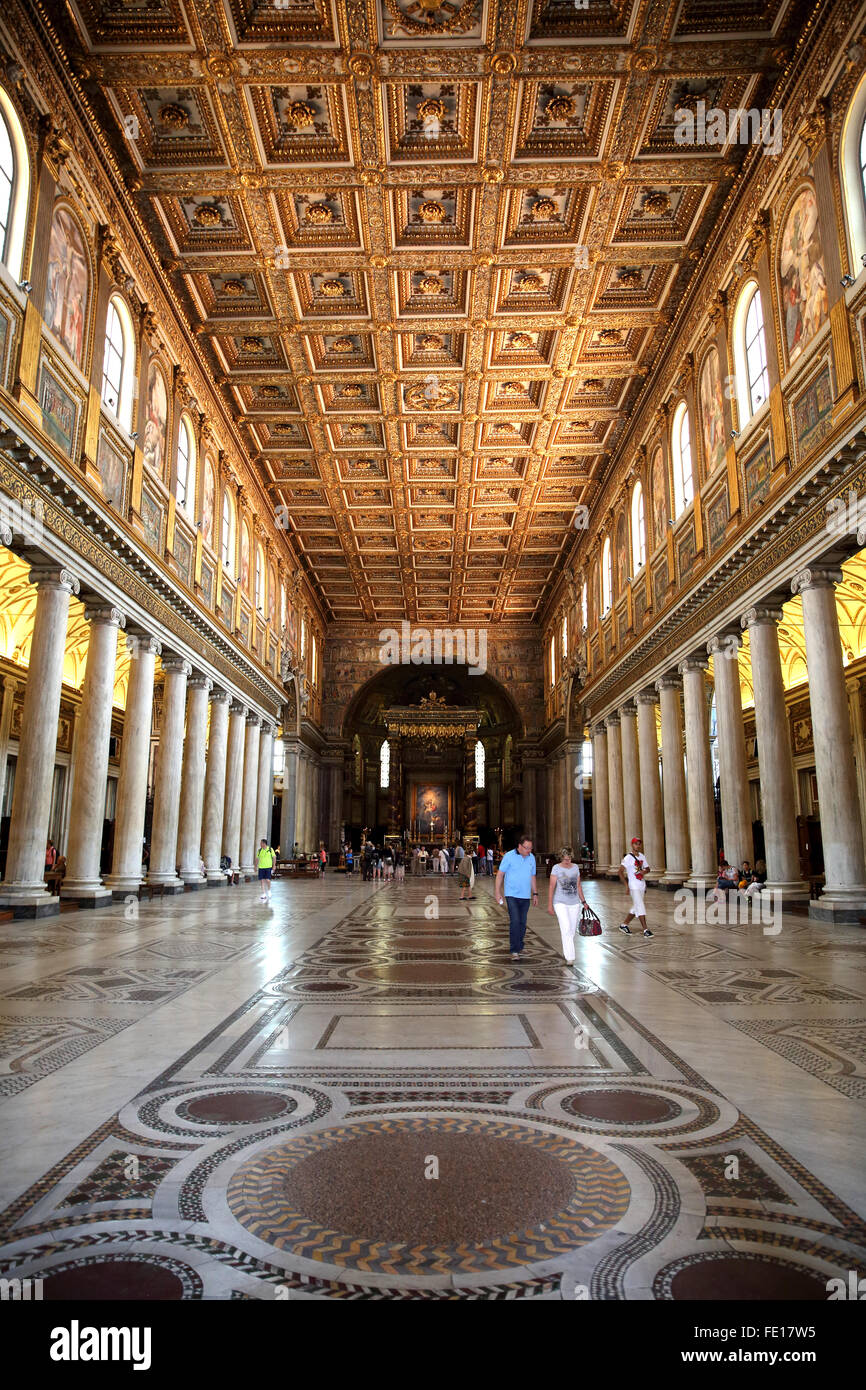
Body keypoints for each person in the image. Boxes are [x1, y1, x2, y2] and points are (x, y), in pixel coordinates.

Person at [495, 836, 538, 961]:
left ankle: (519, 945)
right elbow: (500, 874)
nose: (529, 850)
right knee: (515, 921)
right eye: (527, 848)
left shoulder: (531, 858)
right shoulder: (509, 856)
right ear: (519, 846)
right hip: (511, 894)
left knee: (522, 923)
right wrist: (497, 892)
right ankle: (514, 950)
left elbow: (532, 876)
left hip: (525, 895)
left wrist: (535, 893)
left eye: (530, 848)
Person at [547, 846, 590, 965]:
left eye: (569, 858)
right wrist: (550, 904)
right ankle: (570, 957)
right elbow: (551, 887)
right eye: (565, 859)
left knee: (571, 930)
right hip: (560, 902)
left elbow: (578, 886)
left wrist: (584, 901)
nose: (568, 861)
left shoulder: (575, 867)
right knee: (566, 928)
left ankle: (569, 953)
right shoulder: (556, 868)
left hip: (574, 903)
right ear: (561, 858)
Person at [619, 836, 654, 937]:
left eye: (639, 844)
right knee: (640, 906)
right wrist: (626, 885)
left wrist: (644, 872)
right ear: (632, 845)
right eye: (635, 844)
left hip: (641, 885)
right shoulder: (628, 858)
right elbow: (620, 872)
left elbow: (648, 869)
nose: (637, 846)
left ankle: (624, 925)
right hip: (633, 886)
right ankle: (645, 930)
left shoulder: (642, 856)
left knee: (636, 906)